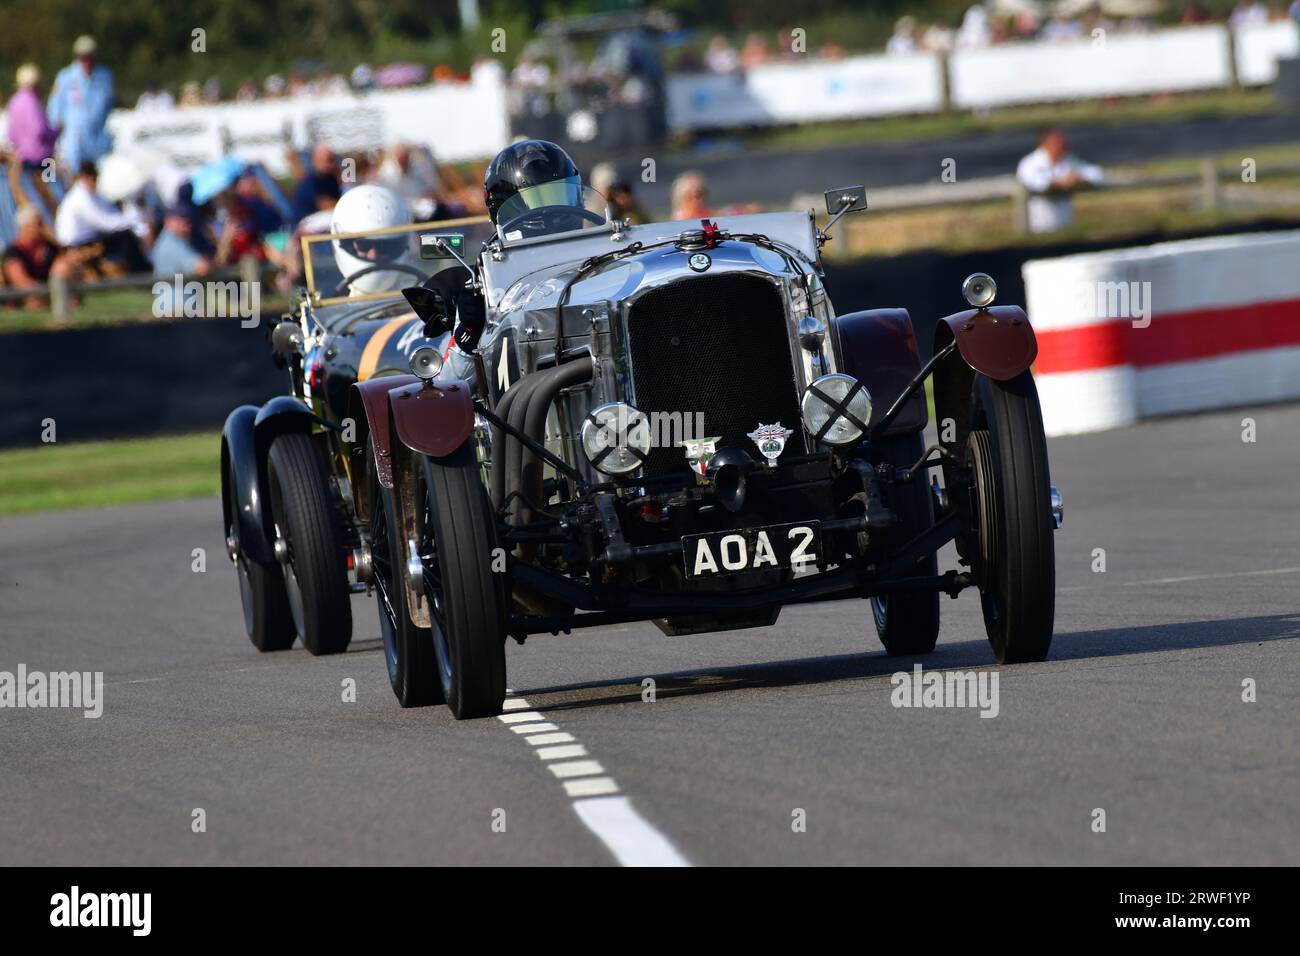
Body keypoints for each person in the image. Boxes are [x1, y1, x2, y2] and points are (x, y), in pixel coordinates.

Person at [54, 161, 148, 276]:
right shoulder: (81, 198)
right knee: (125, 237)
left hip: (88, 239)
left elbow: (109, 214)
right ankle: (141, 273)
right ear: (84, 177)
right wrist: (132, 219)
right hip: (78, 245)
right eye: (92, 178)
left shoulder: (89, 194)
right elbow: (105, 223)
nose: (94, 181)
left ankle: (140, 271)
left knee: (125, 235)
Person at [330, 183, 418, 296]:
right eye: (364, 245)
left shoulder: (419, 292)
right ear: (345, 243)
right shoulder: (324, 295)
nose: (373, 255)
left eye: (385, 246)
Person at [1016, 127, 1103, 233]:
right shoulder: (1030, 163)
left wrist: (1079, 179)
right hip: (1038, 227)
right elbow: (1036, 183)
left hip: (1065, 226)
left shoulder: (1068, 159)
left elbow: (1095, 174)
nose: (1064, 145)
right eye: (1058, 142)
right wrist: (1061, 183)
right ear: (1045, 143)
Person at [47, 35, 114, 172]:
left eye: (89, 57)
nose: (86, 61)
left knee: (97, 174)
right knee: (72, 173)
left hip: (97, 137)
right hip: (72, 139)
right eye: (83, 57)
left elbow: (108, 105)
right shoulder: (65, 76)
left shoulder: (104, 77)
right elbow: (54, 107)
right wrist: (56, 129)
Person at [6, 64, 61, 215]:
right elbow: (39, 131)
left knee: (27, 198)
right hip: (43, 160)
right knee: (50, 195)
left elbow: (11, 134)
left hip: (23, 160)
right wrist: (55, 132)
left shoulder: (14, 101)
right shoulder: (32, 102)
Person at [2, 206, 69, 309]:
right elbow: (20, 281)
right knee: (33, 302)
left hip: (48, 292)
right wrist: (48, 293)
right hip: (26, 297)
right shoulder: (13, 252)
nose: (42, 228)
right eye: (38, 224)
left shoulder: (49, 247)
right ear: (25, 227)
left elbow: (63, 265)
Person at [289, 143, 342, 223]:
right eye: (323, 160)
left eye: (330, 160)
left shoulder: (331, 179)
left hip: (322, 218)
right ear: (315, 160)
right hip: (305, 222)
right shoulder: (311, 180)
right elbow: (325, 205)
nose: (327, 164)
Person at [151, 208, 211, 279]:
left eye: (188, 222)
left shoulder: (171, 238)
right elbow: (202, 268)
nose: (186, 226)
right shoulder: (171, 244)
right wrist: (217, 260)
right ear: (167, 221)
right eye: (180, 221)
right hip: (174, 286)